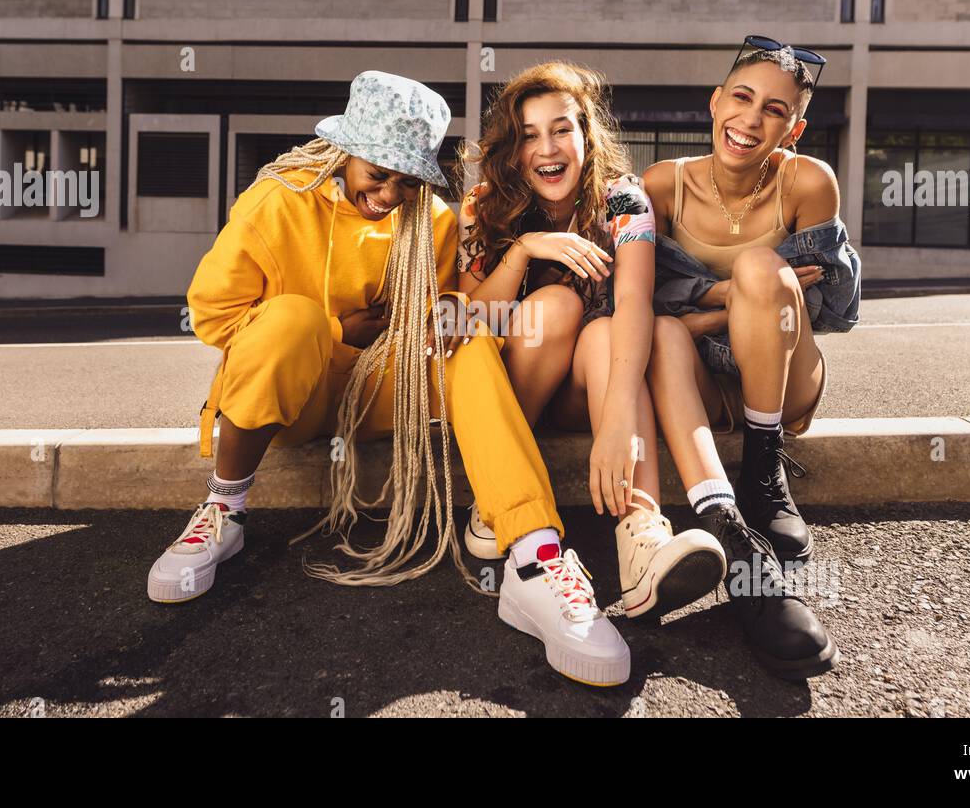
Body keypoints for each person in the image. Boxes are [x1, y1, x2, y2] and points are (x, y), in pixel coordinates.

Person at [146, 70, 630, 687]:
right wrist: (335, 330)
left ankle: (535, 561)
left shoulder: (429, 219)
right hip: (294, 396)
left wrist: (459, 304)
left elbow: (452, 311)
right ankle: (223, 509)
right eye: (378, 174)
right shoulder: (278, 200)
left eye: (406, 181)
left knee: (468, 345)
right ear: (348, 151)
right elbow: (214, 316)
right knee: (294, 319)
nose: (388, 194)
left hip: (383, 393)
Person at [456, 60, 727, 623]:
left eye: (561, 129)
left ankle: (642, 542)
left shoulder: (624, 199)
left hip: (594, 385)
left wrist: (619, 418)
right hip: (517, 395)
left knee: (606, 328)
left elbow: (633, 302)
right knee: (556, 305)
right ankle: (497, 489)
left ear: (586, 134)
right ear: (513, 146)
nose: (547, 148)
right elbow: (471, 320)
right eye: (529, 135)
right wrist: (525, 249)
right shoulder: (482, 205)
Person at [641, 36, 861, 678]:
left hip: (785, 380)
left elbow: (831, 308)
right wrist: (729, 302)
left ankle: (764, 475)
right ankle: (732, 527)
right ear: (715, 102)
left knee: (764, 268)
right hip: (702, 382)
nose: (751, 119)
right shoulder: (661, 187)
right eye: (741, 97)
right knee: (663, 334)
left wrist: (726, 293)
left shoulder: (809, 181)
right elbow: (645, 309)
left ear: (793, 126)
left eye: (774, 109)